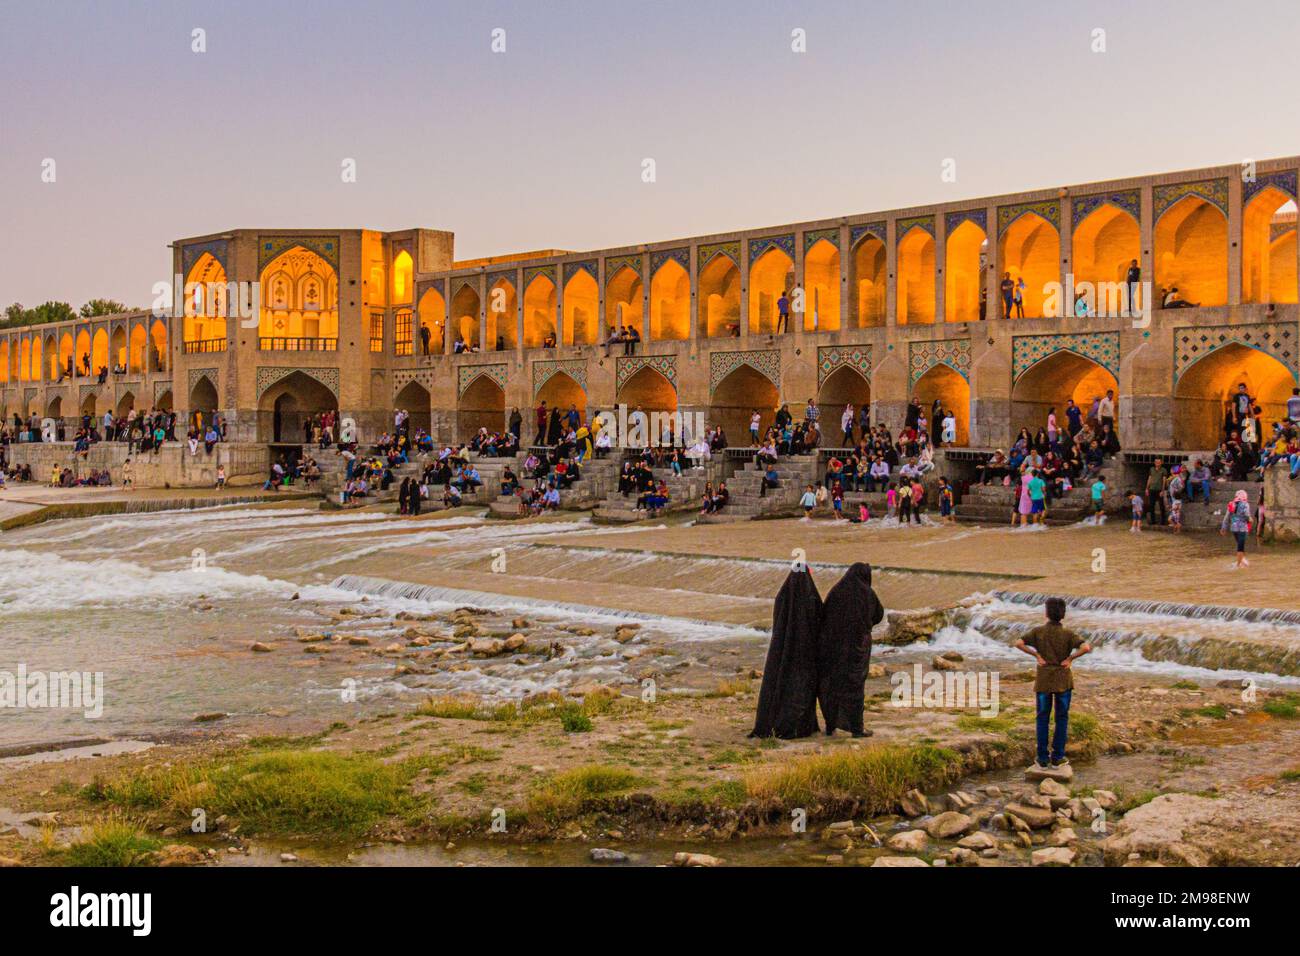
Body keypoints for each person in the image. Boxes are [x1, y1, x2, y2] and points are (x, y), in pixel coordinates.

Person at [1014, 597, 1092, 769]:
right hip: (1063, 680)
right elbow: (1086, 648)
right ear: (1063, 615)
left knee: (1042, 718)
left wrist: (1036, 655)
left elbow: (1018, 643)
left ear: (1046, 613)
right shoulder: (1069, 634)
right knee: (1061, 718)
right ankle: (1058, 757)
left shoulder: (1038, 632)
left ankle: (1042, 758)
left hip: (1044, 680)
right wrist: (1070, 658)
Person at [815, 563, 884, 738]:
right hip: (857, 649)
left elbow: (824, 615)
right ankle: (857, 728)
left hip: (833, 649)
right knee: (855, 687)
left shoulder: (836, 591)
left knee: (832, 686)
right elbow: (879, 614)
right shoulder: (867, 594)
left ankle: (831, 725)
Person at [1220, 489, 1252, 569]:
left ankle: (1242, 560)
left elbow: (1226, 517)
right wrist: (1250, 519)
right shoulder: (1245, 504)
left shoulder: (1231, 504)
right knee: (1240, 547)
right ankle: (1238, 565)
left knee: (1239, 544)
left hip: (1234, 528)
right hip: (1242, 528)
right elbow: (1247, 515)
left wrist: (1223, 528)